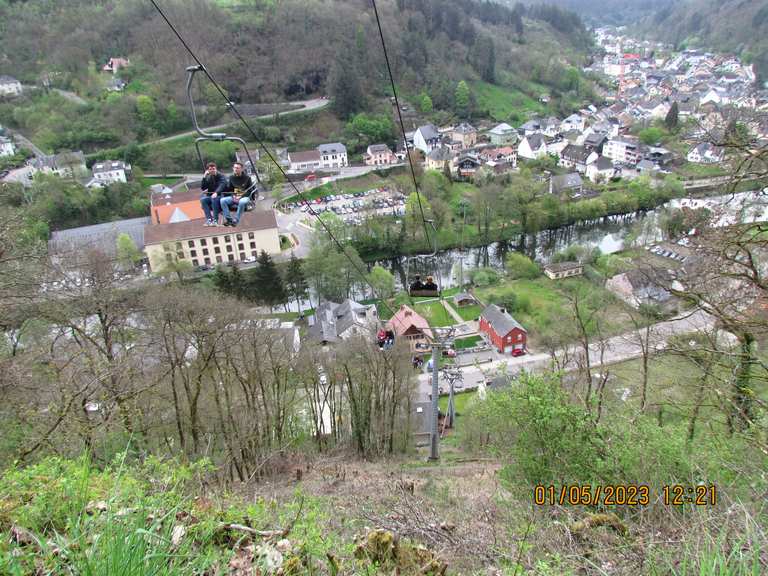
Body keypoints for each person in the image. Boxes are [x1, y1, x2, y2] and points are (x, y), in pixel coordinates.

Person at [220, 161, 253, 227]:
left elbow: (250, 191)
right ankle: (229, 220)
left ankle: (236, 220)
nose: (235, 169)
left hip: (244, 196)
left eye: (237, 168)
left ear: (241, 169)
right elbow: (229, 189)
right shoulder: (231, 177)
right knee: (222, 200)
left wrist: (241, 196)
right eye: (234, 168)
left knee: (242, 202)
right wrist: (221, 187)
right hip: (234, 196)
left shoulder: (247, 178)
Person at [200, 162, 227, 226]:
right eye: (210, 169)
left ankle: (215, 220)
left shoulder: (221, 176)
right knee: (203, 200)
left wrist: (216, 192)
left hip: (221, 195)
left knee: (213, 198)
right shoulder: (209, 177)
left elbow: (222, 185)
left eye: (213, 169)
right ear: (208, 170)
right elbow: (203, 187)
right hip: (212, 196)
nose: (212, 170)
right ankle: (209, 220)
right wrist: (204, 177)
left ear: (216, 169)